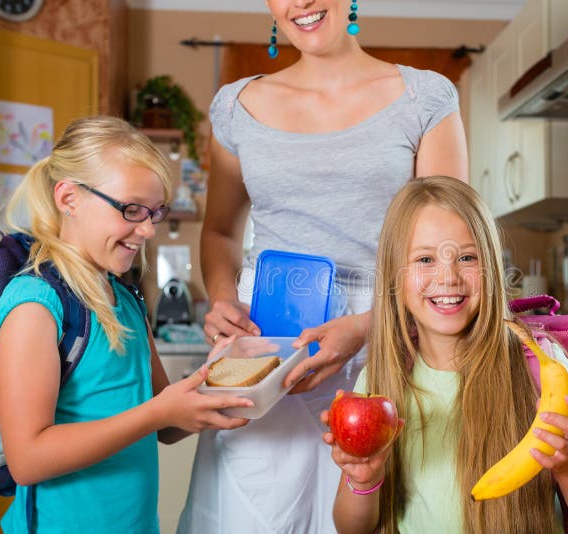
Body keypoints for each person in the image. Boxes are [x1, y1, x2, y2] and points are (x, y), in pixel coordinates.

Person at [178, 0, 468, 532]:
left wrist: (367, 327)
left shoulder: (425, 97)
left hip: (390, 334)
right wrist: (222, 299)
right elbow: (218, 231)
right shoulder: (237, 107)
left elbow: (450, 246)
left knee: (371, 509)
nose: (301, 3)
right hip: (268, 341)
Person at [0, 116, 253, 533]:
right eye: (131, 209)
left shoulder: (125, 299)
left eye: (155, 211)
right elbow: (27, 459)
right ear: (69, 197)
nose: (148, 228)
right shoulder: (36, 304)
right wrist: (154, 414)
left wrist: (217, 387)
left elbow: (164, 423)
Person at [322, 176, 568, 533]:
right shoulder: (380, 381)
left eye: (466, 257)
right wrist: (364, 478)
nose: (448, 277)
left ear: (491, 268)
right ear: (394, 279)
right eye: (425, 259)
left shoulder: (541, 367)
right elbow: (350, 527)